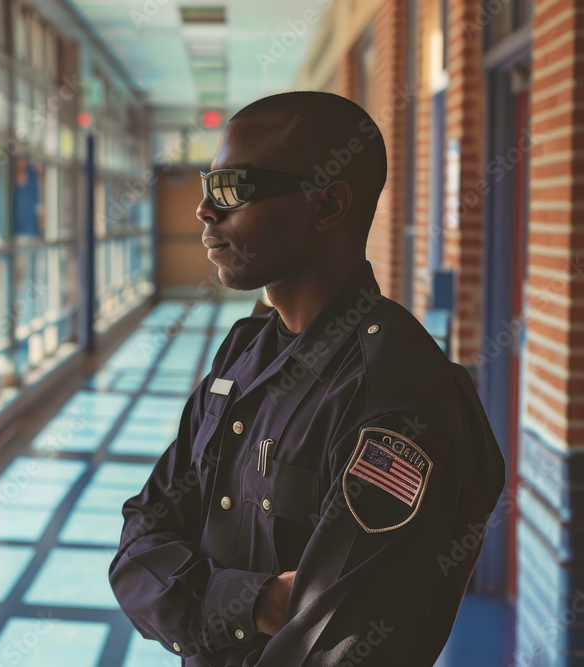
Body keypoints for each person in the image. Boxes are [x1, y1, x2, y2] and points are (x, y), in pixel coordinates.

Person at [108, 91, 506, 666]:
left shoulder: (396, 399)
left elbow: (339, 645)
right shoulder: (244, 354)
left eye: (232, 189)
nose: (204, 211)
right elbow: (139, 541)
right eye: (205, 185)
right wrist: (256, 604)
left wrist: (198, 595)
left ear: (327, 207)